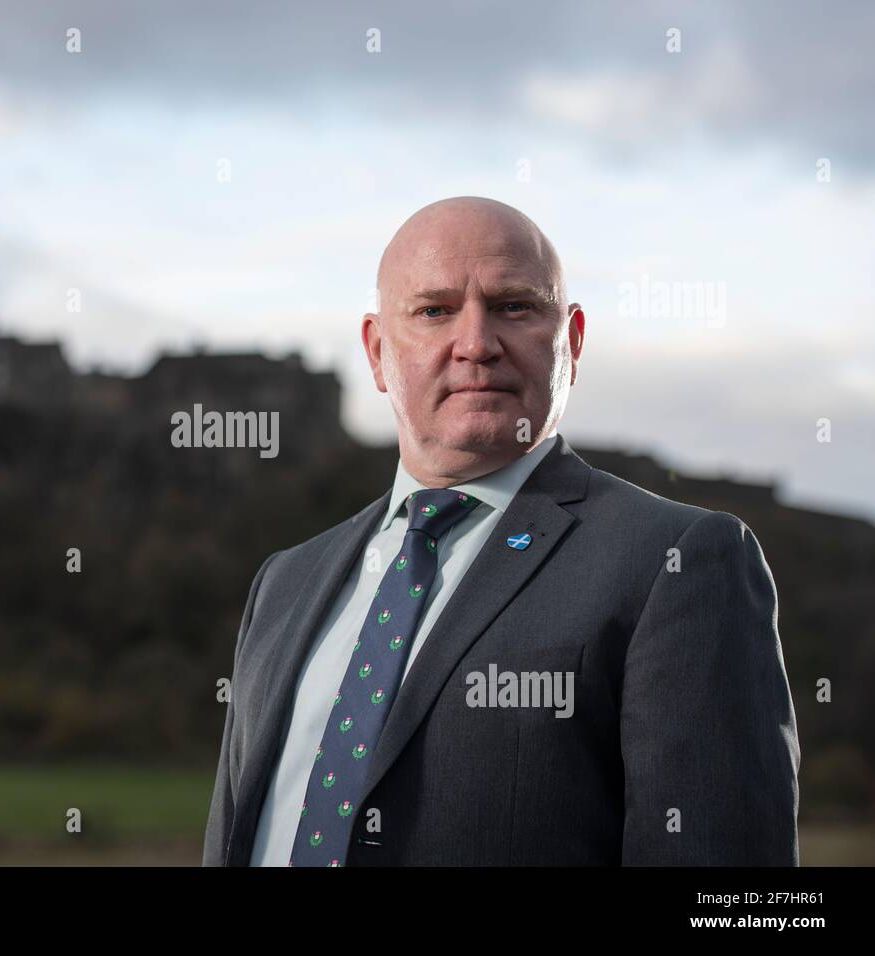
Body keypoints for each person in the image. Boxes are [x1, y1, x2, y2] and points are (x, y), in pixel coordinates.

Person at [202, 196, 799, 866]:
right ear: (377, 352)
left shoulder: (677, 563)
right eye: (434, 310)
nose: (476, 344)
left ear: (570, 340)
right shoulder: (286, 582)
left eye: (514, 305)